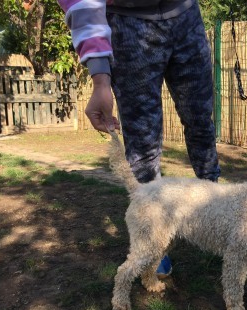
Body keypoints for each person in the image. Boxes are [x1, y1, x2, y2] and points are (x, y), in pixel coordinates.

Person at [57, 0, 221, 275]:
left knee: (202, 125)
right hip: (127, 22)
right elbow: (82, 3)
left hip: (186, 14)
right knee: (143, 140)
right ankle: (152, 239)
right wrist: (100, 79)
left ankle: (215, 215)